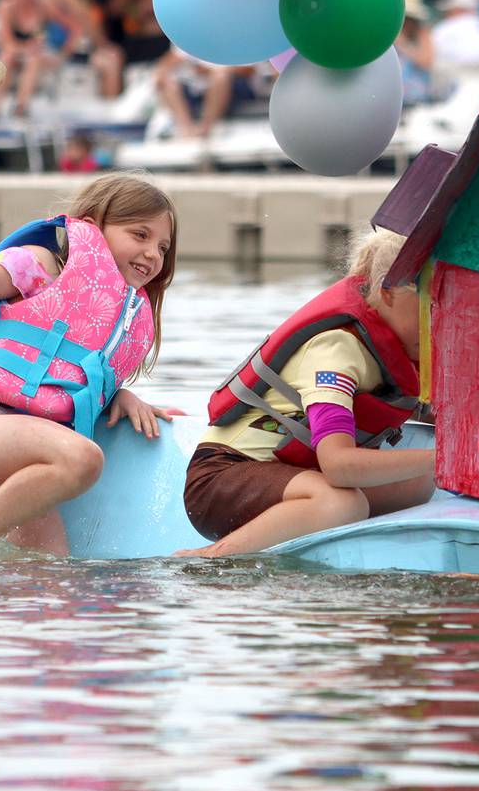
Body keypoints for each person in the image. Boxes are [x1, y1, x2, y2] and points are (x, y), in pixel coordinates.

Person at [0, 173, 177, 554]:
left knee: (51, 584)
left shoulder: (124, 317)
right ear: (93, 226)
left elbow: (68, 381)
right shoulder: (39, 264)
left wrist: (116, 396)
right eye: (139, 235)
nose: (152, 254)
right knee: (82, 458)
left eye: (163, 247)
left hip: (21, 477)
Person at [179, 226, 434, 557]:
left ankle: (319, 534)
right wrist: (441, 459)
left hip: (293, 477)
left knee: (418, 485)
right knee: (343, 502)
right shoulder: (336, 349)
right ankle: (208, 559)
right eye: (428, 307)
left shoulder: (398, 344)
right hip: (220, 481)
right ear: (388, 293)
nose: (436, 324)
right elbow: (338, 465)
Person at [153, 48, 264, 140]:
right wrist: (162, 72)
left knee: (220, 75)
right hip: (197, 89)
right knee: (166, 81)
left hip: (235, 88)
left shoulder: (235, 36)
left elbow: (250, 70)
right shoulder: (191, 38)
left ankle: (205, 129)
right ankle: (186, 130)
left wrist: (211, 70)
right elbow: (168, 63)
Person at [0, 0, 57, 116]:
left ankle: (21, 107)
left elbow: (72, 26)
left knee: (34, 57)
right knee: (8, 56)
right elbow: (7, 43)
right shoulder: (6, 5)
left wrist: (64, 51)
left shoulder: (43, 5)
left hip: (37, 56)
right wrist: (26, 48)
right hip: (15, 54)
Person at [395, 0, 441, 104]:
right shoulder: (383, 35)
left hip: (416, 94)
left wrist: (402, 42)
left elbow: (426, 62)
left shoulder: (421, 33)